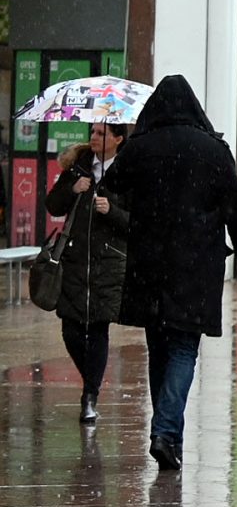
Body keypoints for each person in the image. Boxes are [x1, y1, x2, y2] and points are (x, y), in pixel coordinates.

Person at [99, 77, 237, 471]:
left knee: (159, 347)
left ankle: (168, 433)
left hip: (149, 262)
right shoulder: (213, 150)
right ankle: (166, 433)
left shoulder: (141, 148)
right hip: (196, 265)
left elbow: (111, 185)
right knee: (184, 348)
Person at [45, 122, 131, 426]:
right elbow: (52, 204)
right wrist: (73, 189)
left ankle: (90, 396)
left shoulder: (128, 171)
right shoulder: (78, 168)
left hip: (109, 263)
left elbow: (139, 221)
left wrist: (113, 211)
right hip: (75, 259)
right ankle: (90, 382)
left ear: (118, 139)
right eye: (92, 132)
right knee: (70, 328)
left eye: (101, 133)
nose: (94, 138)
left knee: (96, 328)